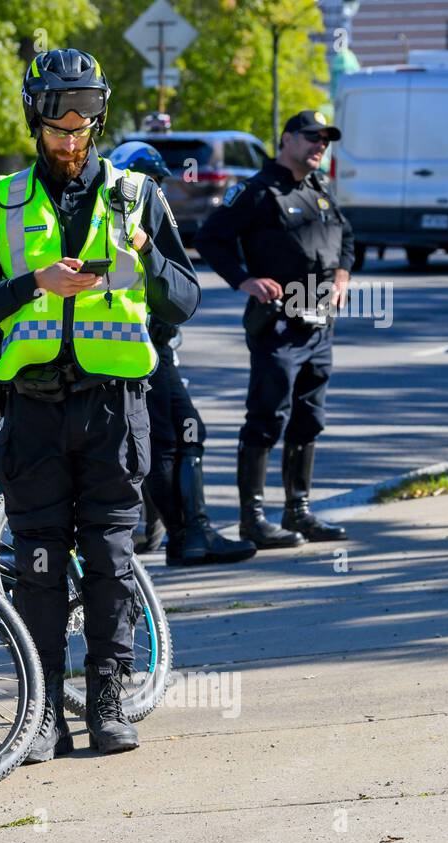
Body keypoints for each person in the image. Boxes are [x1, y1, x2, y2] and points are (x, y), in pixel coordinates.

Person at [0, 50, 200, 761]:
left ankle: (108, 698)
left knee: (111, 560)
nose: (70, 141)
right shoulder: (1, 201)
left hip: (112, 409)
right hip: (30, 411)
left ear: (97, 121)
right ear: (36, 119)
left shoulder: (136, 197)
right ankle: (41, 715)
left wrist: (150, 258)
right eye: (58, 127)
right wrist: (33, 283)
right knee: (36, 564)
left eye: (83, 126)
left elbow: (184, 300)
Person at [194, 110, 352, 548]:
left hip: (320, 324)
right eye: (311, 137)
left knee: (309, 418)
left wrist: (341, 279)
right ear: (286, 140)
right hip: (279, 324)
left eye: (325, 139)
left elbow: (347, 238)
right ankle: (253, 520)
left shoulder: (320, 188)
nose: (320, 145)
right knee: (267, 417)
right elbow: (210, 239)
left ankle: (298, 512)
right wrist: (244, 280)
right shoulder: (255, 192)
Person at [109, 141, 255, 567]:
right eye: (150, 180)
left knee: (184, 432)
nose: (156, 189)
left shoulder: (138, 211)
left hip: (154, 344)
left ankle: (192, 532)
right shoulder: (121, 215)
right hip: (137, 347)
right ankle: (187, 535)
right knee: (169, 439)